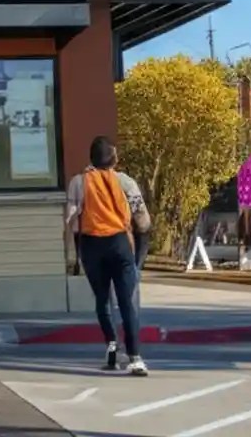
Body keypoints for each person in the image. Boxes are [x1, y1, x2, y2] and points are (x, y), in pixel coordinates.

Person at [65, 136, 148, 376]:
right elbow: (143, 221)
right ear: (115, 158)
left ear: (91, 158)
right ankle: (135, 358)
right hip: (120, 243)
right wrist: (139, 257)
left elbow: (71, 222)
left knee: (102, 300)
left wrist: (73, 256)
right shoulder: (126, 182)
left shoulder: (78, 183)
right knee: (126, 301)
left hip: (91, 246)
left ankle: (112, 350)